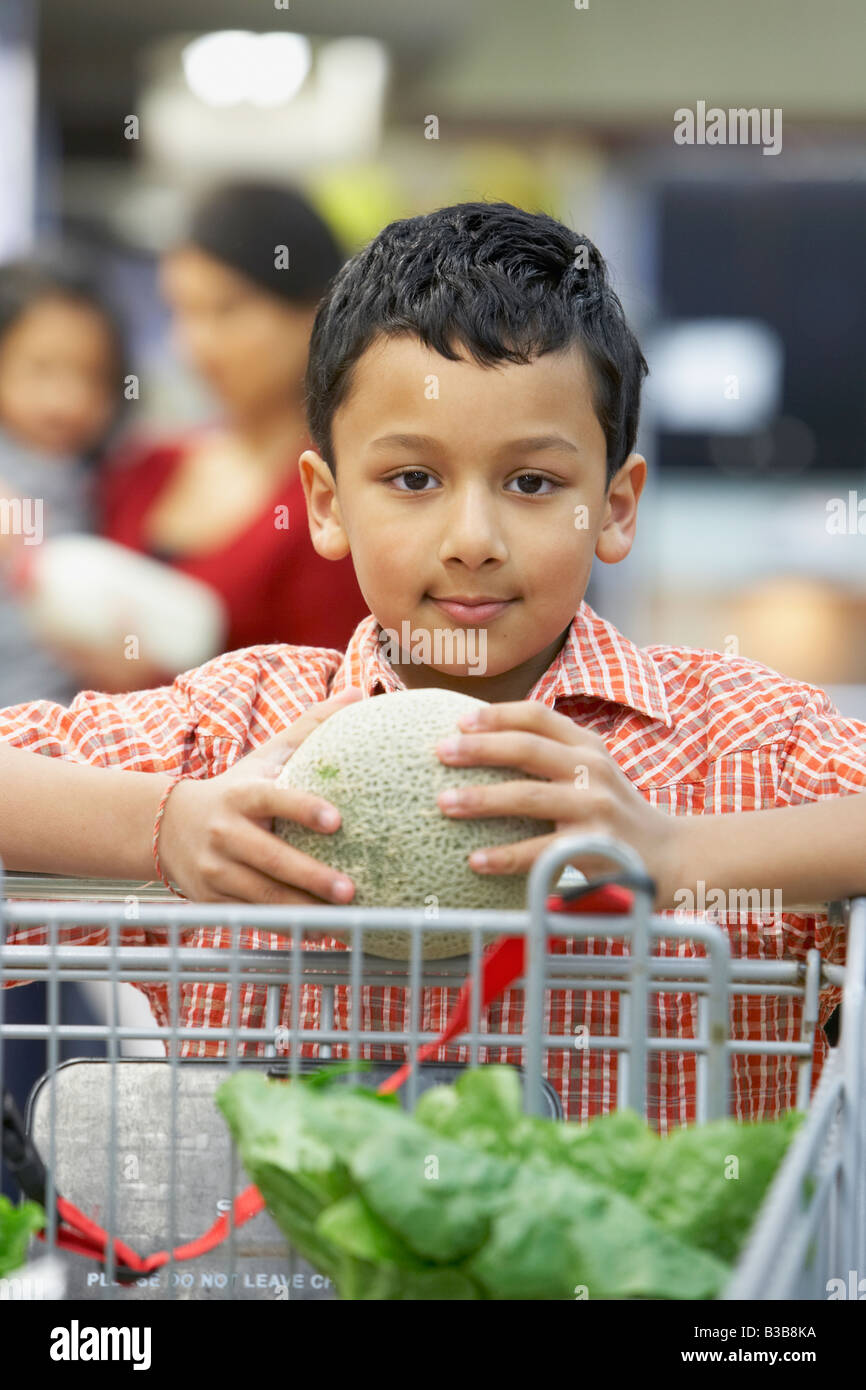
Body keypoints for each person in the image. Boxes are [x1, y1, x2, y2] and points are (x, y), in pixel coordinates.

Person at [1, 200, 865, 1132]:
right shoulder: (234, 733)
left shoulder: (734, 738)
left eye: (532, 483)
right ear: (325, 505)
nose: (473, 540)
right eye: (412, 479)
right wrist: (165, 828)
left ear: (615, 506)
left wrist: (682, 853)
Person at [98, 180, 369, 677]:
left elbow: (336, 695)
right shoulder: (144, 468)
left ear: (314, 310)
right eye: (181, 311)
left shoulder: (341, 494)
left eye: (227, 309)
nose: (195, 344)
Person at [0, 255, 127, 706]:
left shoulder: (109, 474)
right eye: (40, 369)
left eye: (92, 376)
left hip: (58, 718)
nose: (67, 400)